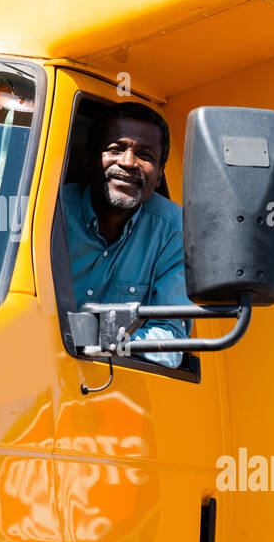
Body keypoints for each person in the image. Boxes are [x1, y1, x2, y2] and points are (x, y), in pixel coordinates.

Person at [62, 102, 190, 368]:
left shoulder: (174, 230)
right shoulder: (50, 210)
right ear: (89, 158)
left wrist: (94, 338)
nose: (129, 162)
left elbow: (170, 343)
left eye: (145, 156)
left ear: (159, 175)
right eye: (115, 149)